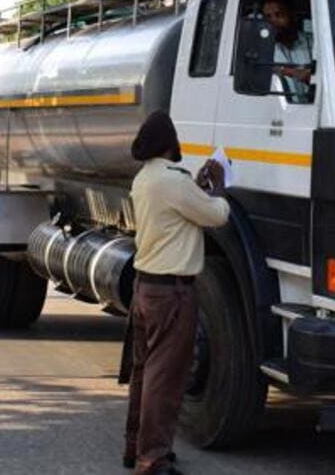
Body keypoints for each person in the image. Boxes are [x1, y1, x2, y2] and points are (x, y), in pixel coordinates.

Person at [122, 111, 229, 475]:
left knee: (144, 373)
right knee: (164, 380)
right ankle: (153, 459)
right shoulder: (173, 181)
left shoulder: (145, 178)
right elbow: (216, 215)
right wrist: (219, 186)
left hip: (145, 287)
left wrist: (195, 188)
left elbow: (180, 208)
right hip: (173, 294)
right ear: (169, 143)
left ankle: (134, 447)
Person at [261, 0, 315, 102]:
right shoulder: (261, 50)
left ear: (292, 15)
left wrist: (293, 73)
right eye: (268, 17)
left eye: (279, 15)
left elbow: (329, 80)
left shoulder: (314, 42)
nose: (273, 21)